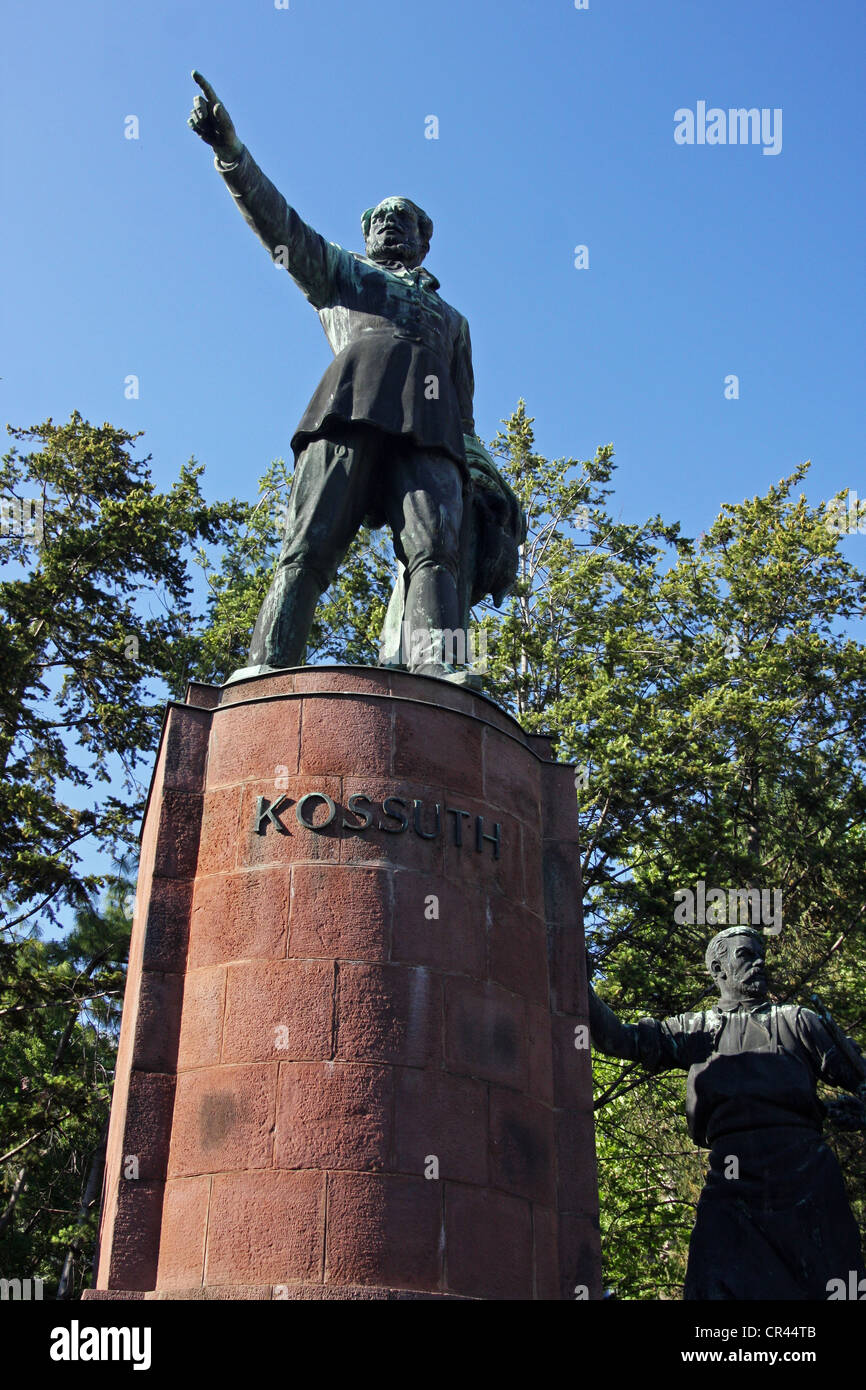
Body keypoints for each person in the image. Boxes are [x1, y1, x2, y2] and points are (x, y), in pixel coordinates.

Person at [188, 71, 498, 682]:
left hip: (433, 433)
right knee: (309, 543)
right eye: (379, 219)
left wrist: (484, 469)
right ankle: (267, 668)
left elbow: (464, 415)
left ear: (423, 241)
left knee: (437, 550)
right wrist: (231, 154)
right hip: (347, 411)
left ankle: (442, 678)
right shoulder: (344, 276)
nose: (388, 224)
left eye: (401, 219)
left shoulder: (455, 322)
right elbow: (283, 227)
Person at [588, 926, 866, 1299]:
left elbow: (861, 1079)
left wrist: (858, 1110)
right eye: (746, 956)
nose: (759, 963)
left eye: (760, 954)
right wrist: (579, 980)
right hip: (732, 1181)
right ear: (719, 970)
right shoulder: (696, 1030)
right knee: (712, 1283)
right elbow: (618, 1039)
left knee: (834, 1286)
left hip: (806, 1177)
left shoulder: (798, 1022)